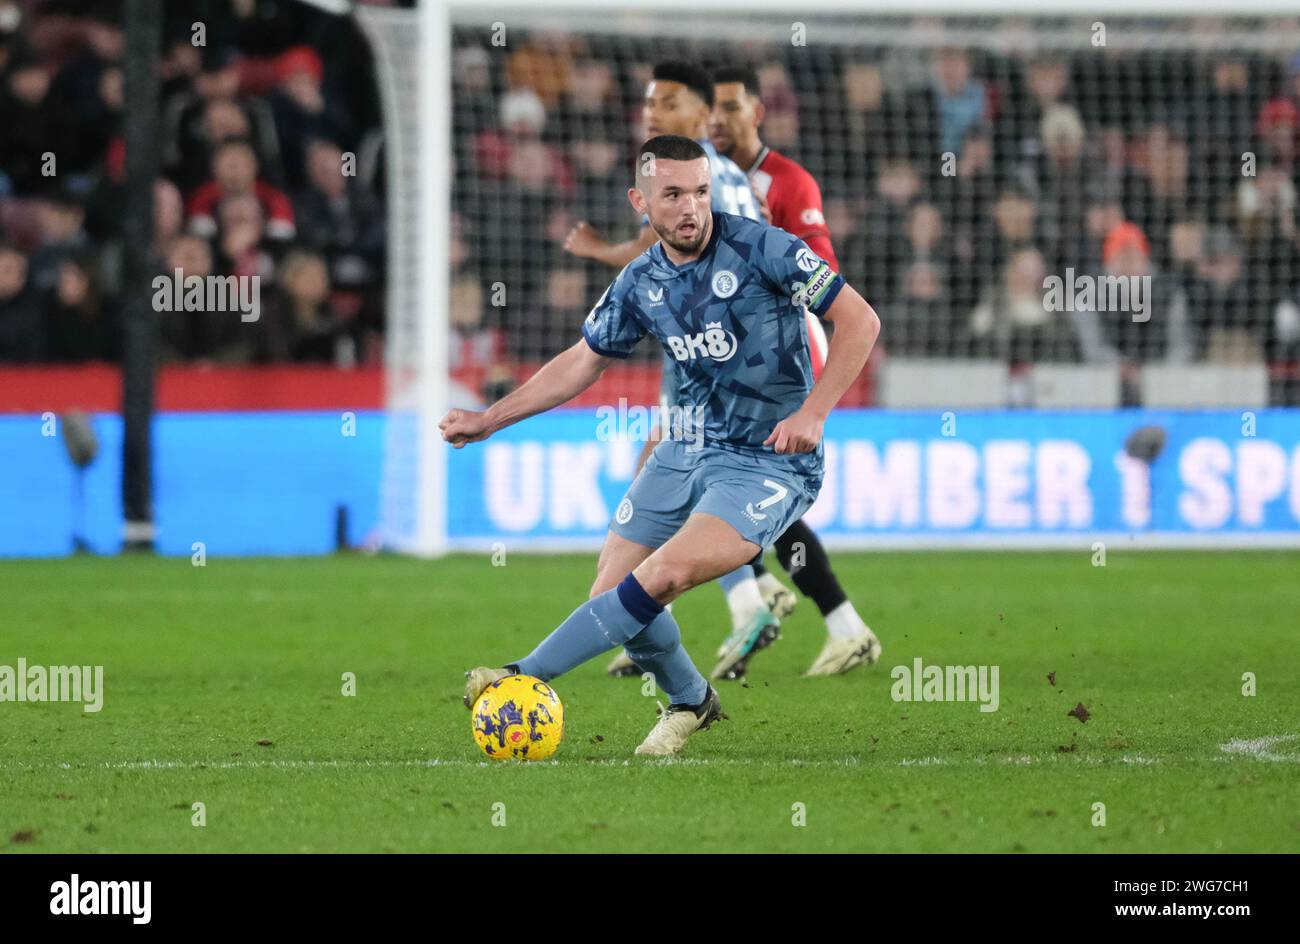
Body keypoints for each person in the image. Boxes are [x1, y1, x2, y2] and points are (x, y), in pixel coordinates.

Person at [444, 135, 881, 755]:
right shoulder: (641, 281)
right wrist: (491, 418)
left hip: (768, 463)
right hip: (685, 447)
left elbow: (860, 320)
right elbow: (581, 362)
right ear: (641, 201)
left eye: (700, 192)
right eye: (673, 195)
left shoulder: (765, 249)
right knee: (612, 590)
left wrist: (815, 412)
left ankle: (522, 676)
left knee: (663, 575)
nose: (690, 208)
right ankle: (691, 700)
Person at [706, 64, 884, 676]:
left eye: (731, 106)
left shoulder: (789, 181)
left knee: (722, 478)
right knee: (756, 495)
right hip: (730, 362)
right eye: (712, 109)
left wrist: (765, 234)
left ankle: (757, 594)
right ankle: (834, 621)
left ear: (757, 111)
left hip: (783, 359)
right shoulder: (705, 180)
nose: (719, 119)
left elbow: (824, 274)